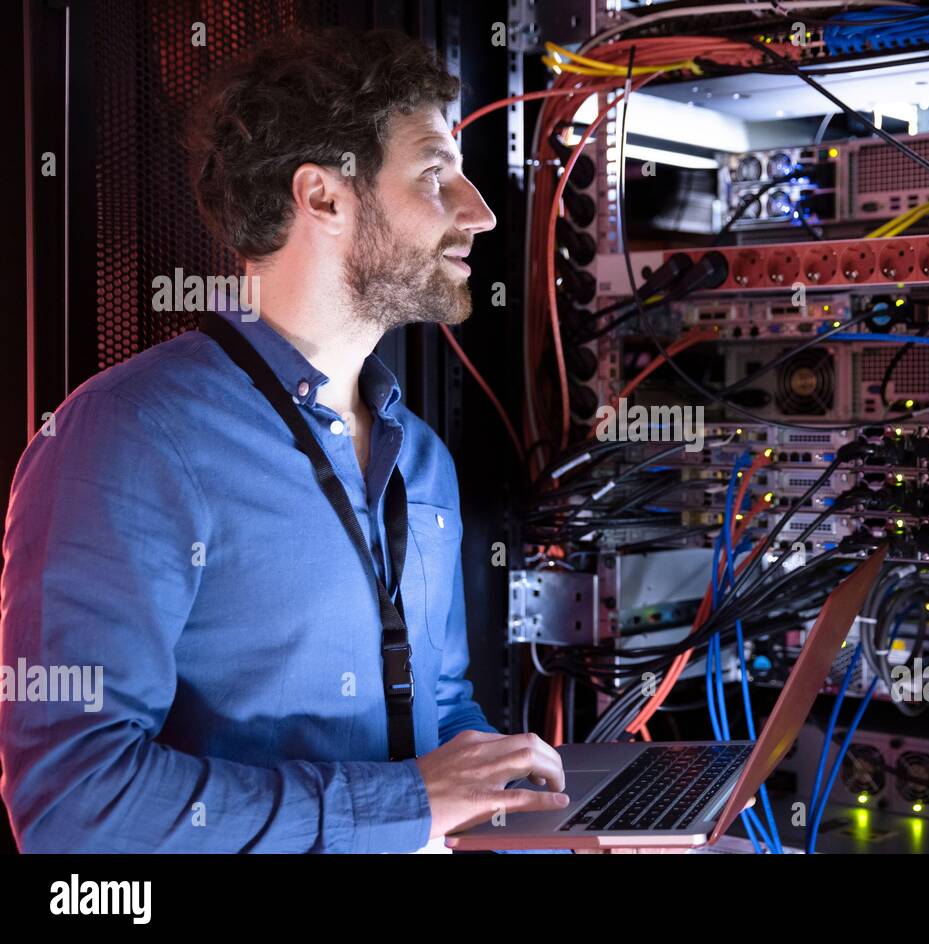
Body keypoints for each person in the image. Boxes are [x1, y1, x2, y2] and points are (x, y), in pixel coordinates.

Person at [0, 27, 569, 853]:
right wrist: (404, 805)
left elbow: (444, 725)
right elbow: (75, 807)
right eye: (435, 174)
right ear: (325, 197)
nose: (478, 213)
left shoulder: (422, 462)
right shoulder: (129, 437)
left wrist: (521, 797)